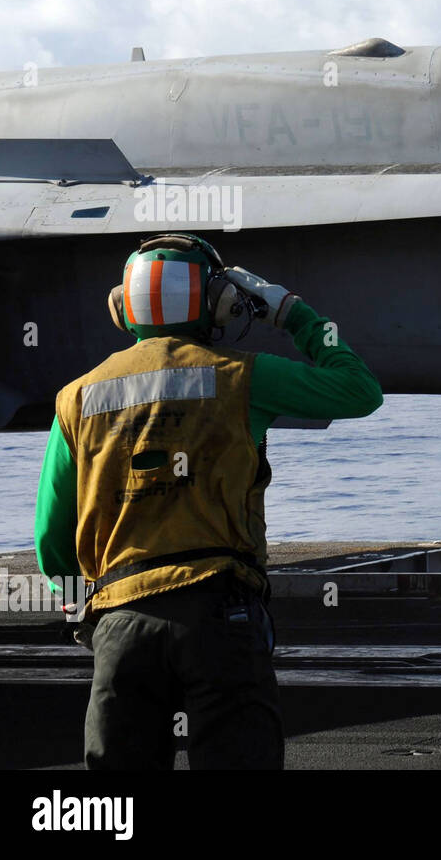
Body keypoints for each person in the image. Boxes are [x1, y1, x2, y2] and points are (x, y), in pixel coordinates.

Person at [33, 232, 383, 769]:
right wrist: (294, 316)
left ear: (124, 306)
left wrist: (91, 612)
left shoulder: (77, 398)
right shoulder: (244, 377)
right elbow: (359, 390)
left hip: (119, 622)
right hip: (221, 616)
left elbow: (52, 540)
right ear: (216, 304)